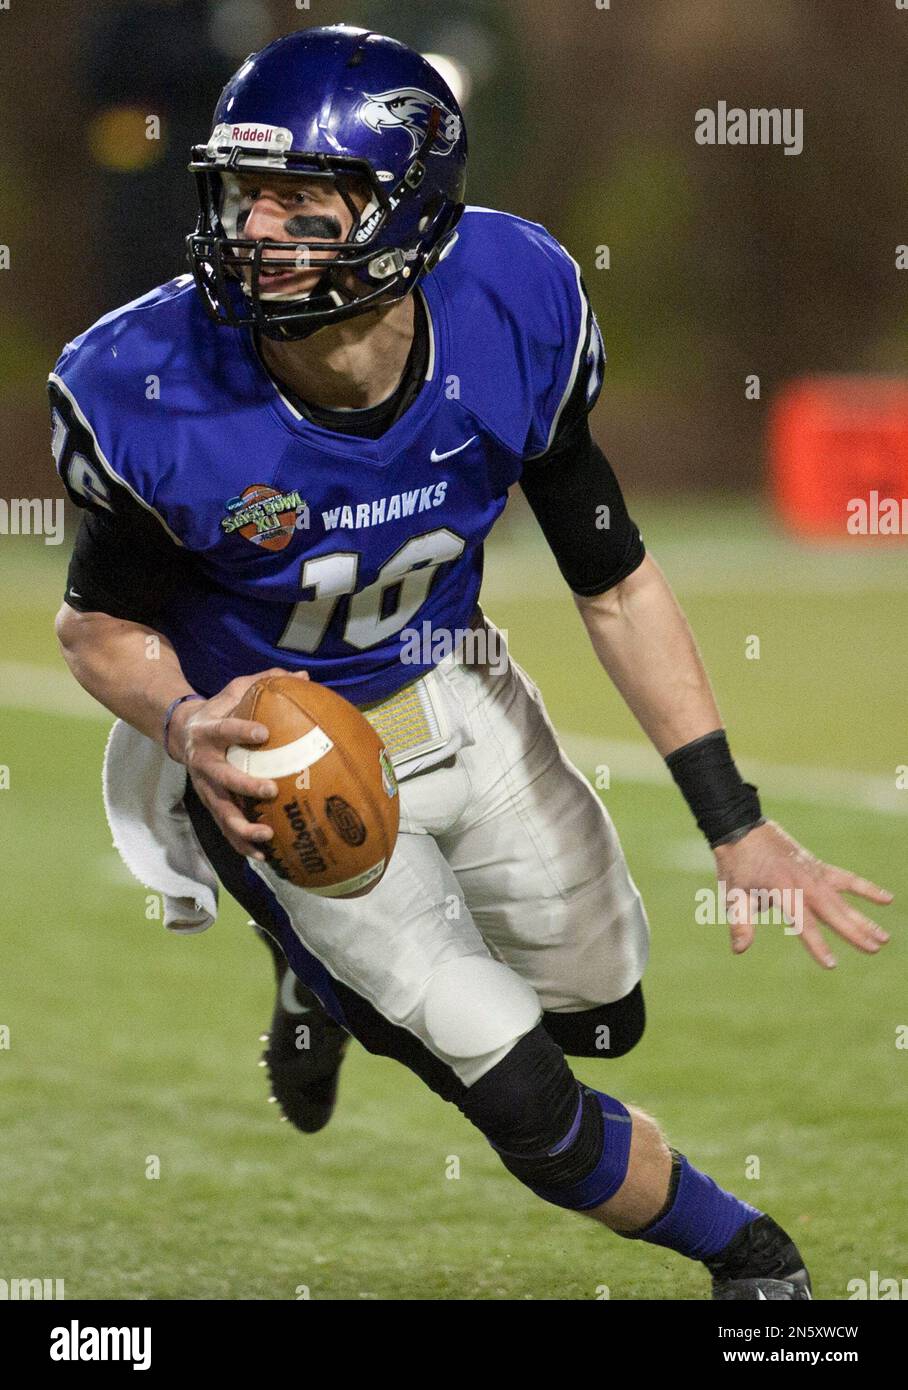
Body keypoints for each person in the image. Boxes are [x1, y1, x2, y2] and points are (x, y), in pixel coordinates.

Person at [51, 24, 891, 1300]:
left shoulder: (515, 301)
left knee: (603, 1014)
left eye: (302, 203)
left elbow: (611, 582)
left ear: (405, 214)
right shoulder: (145, 384)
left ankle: (314, 981)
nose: (256, 232)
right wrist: (179, 723)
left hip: (459, 687)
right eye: (241, 195)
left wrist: (735, 824)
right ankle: (749, 1259)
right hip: (273, 753)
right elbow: (96, 625)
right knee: (520, 1092)